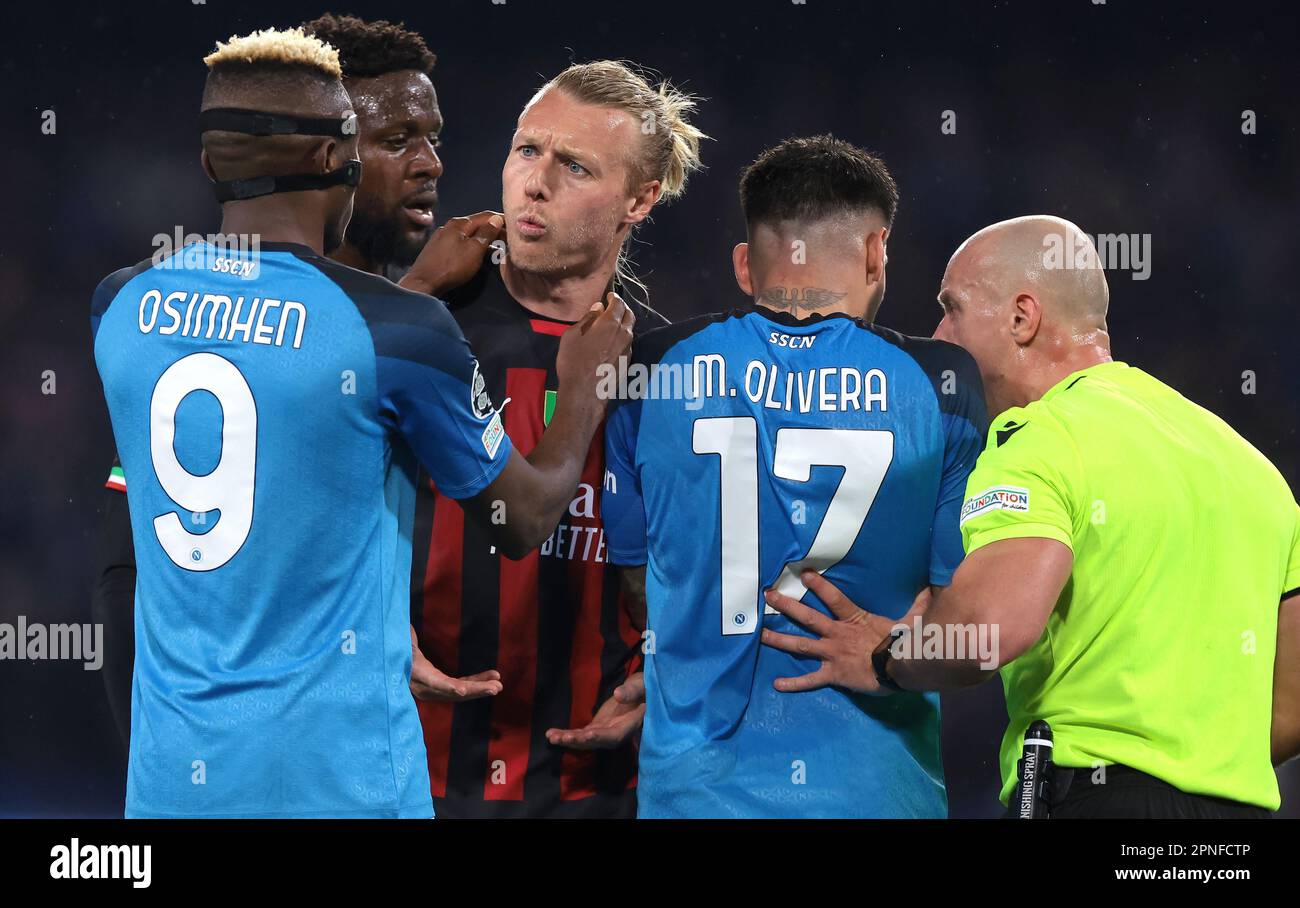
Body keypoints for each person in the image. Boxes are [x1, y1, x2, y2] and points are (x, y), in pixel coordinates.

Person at [91, 27, 632, 817]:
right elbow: (122, 572)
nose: (431, 164)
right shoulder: (405, 333)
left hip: (181, 784)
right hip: (351, 783)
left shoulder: (125, 305)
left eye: (435, 139)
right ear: (334, 156)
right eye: (390, 139)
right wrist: (580, 392)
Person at [764, 215, 1300, 817]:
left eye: (953, 307)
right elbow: (1293, 704)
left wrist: (887, 656)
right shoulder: (1250, 468)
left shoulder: (1041, 439)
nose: (939, 332)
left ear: (1022, 317)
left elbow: (992, 628)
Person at [602, 135, 988, 817]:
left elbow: (636, 575)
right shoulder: (943, 385)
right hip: (873, 790)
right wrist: (890, 650)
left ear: (746, 266)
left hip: (696, 791)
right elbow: (966, 612)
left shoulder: (651, 367)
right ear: (877, 253)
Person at [408, 59, 707, 817]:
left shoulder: (667, 371)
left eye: (574, 165)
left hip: (588, 787)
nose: (534, 184)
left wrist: (665, 667)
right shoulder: (420, 326)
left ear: (640, 200)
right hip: (407, 772)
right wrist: (364, 625)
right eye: (526, 150)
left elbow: (695, 570)